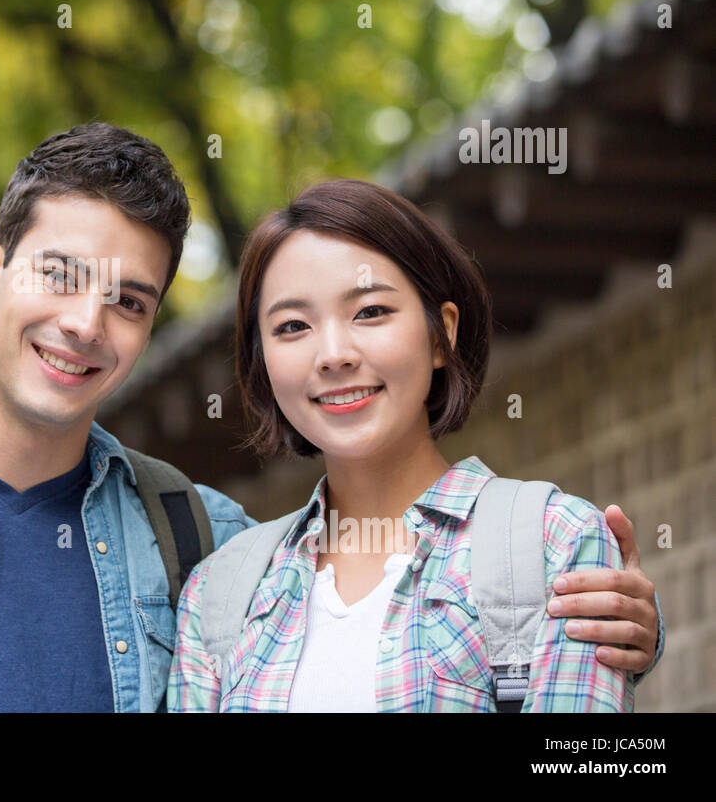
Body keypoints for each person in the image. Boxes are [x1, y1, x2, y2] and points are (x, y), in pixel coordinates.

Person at [0, 128, 662, 712]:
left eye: (128, 299)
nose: (84, 322)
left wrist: (607, 634)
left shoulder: (196, 546)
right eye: (58, 274)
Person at [168, 178, 659, 711]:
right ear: (261, 362)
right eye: (292, 326)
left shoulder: (556, 544)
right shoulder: (218, 595)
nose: (334, 354)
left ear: (440, 335)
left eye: (370, 312)